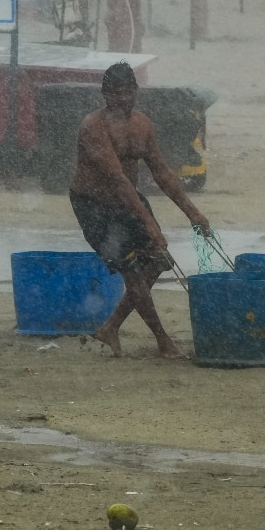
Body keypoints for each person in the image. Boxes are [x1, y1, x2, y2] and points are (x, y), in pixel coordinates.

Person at [69, 62, 212, 357]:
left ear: (136, 91)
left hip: (128, 199)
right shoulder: (93, 127)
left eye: (129, 92)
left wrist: (193, 213)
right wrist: (149, 225)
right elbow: (117, 179)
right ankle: (163, 341)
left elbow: (162, 173)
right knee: (132, 271)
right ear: (105, 95)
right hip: (94, 205)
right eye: (116, 93)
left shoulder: (142, 124)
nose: (123, 99)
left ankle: (110, 327)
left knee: (158, 261)